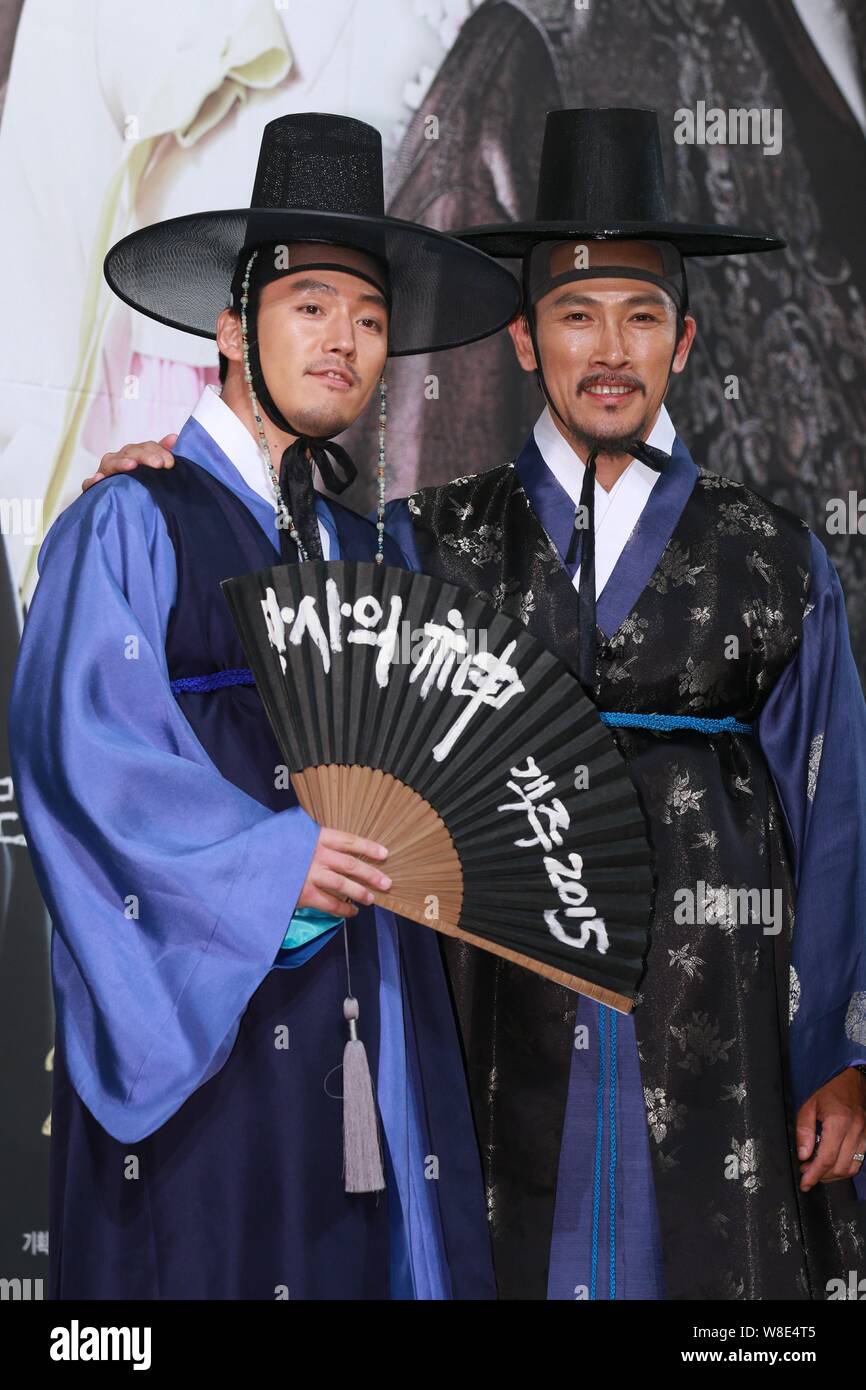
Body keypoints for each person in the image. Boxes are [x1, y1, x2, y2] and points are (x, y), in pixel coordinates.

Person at [85, 108, 866, 1303]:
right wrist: (158, 471)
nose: (609, 348)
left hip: (720, 1011)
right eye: (573, 311)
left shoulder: (775, 557)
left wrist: (839, 1053)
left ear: (686, 338)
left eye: (641, 313)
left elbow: (838, 811)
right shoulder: (421, 544)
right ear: (519, 339)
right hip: (492, 1016)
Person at [9, 111, 519, 1300]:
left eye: (371, 318)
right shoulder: (129, 522)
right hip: (211, 1035)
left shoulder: (377, 555)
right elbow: (81, 765)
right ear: (231, 331)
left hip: (376, 1014)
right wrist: (265, 866)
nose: (344, 340)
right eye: (310, 307)